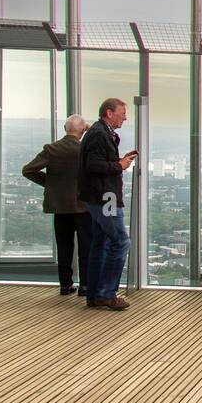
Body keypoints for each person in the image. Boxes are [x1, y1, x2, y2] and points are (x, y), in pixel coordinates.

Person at [78, 98, 137, 312]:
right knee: (121, 242)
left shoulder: (100, 132)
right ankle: (106, 293)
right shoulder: (99, 134)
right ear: (109, 113)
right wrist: (119, 165)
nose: (125, 118)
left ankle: (95, 294)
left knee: (100, 243)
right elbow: (93, 165)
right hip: (105, 197)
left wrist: (119, 161)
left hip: (100, 196)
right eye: (122, 113)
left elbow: (97, 163)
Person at [22, 115, 91, 296]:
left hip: (60, 206)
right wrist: (89, 131)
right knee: (86, 247)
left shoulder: (52, 149)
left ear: (64, 129)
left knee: (64, 246)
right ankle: (85, 286)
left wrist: (50, 183)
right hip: (83, 206)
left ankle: (65, 285)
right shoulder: (85, 150)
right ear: (82, 130)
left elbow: (28, 170)